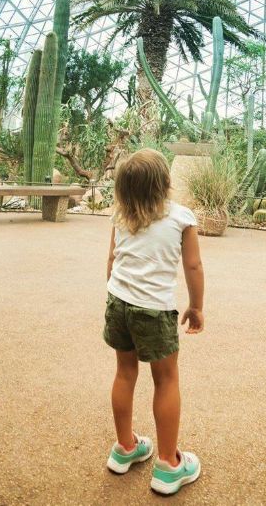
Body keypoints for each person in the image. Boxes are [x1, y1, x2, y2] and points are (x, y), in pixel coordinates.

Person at [103, 148, 204, 495]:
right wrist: (196, 306)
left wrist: (113, 294)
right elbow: (192, 266)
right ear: (165, 182)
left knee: (124, 373)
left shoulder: (120, 215)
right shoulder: (181, 218)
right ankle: (168, 466)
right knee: (166, 380)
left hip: (119, 303)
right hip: (154, 311)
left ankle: (125, 448)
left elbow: (113, 259)